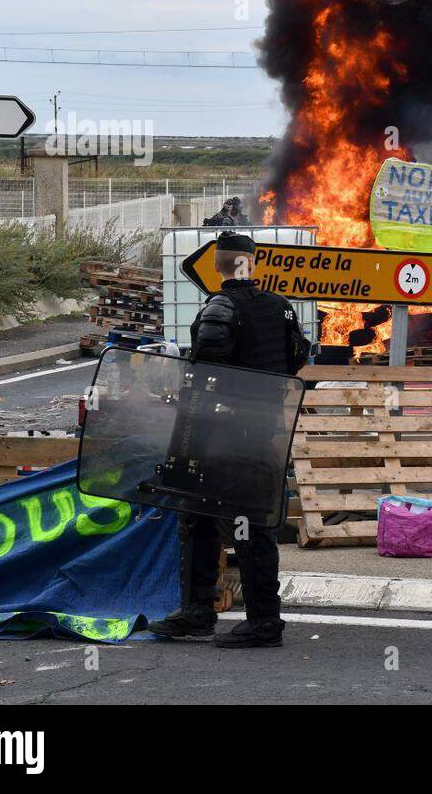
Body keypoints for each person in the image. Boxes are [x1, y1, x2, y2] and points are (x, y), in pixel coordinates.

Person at [147, 232, 310, 649]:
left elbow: (206, 375)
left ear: (218, 265)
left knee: (232, 526)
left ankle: (261, 623)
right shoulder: (282, 309)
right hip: (265, 431)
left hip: (220, 436)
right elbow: (295, 360)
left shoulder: (220, 307)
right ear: (251, 264)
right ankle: (201, 613)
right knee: (216, 521)